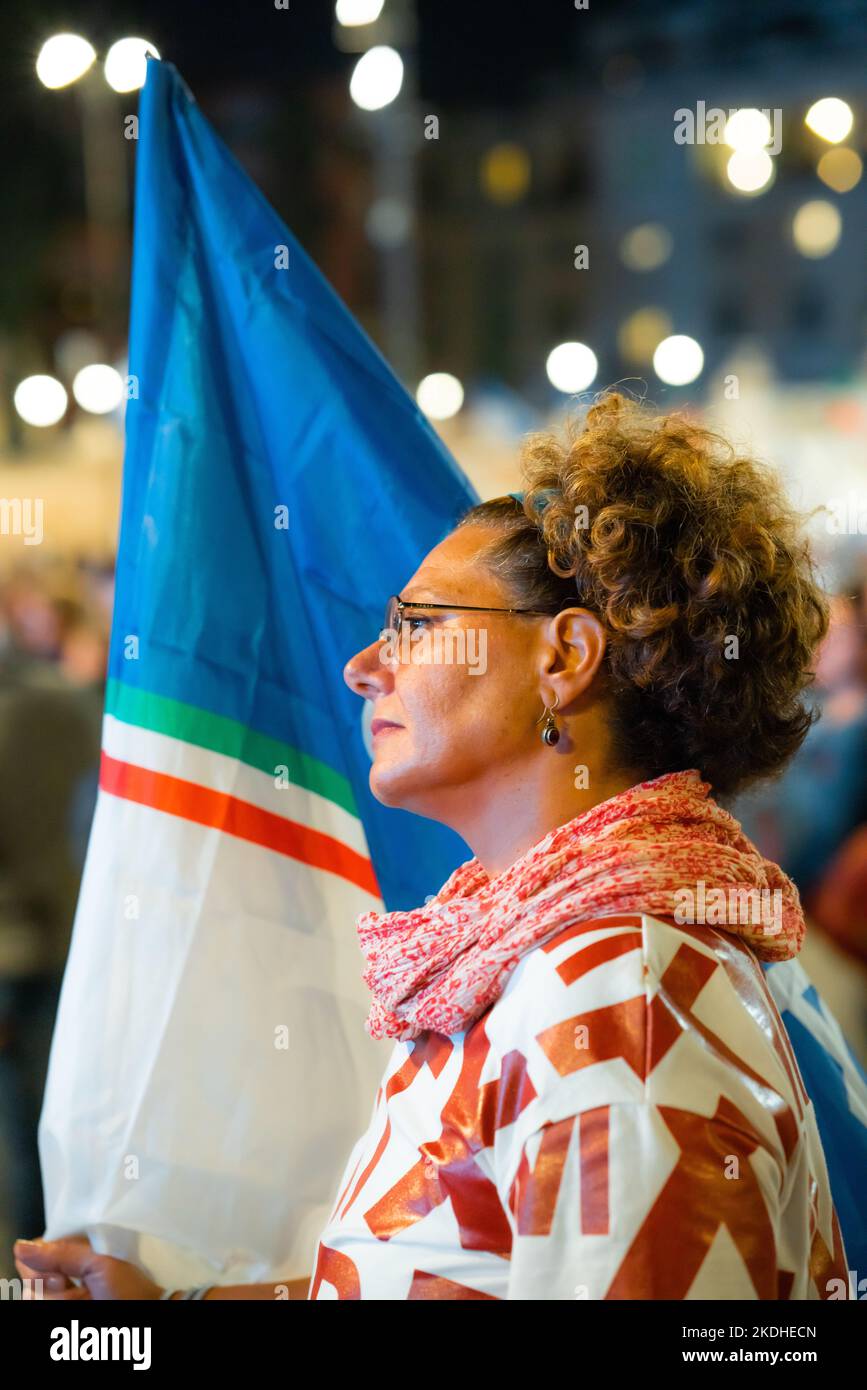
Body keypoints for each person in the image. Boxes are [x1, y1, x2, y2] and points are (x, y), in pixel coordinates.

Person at [14, 392, 852, 1300]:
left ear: (563, 659)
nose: (363, 665)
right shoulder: (551, 958)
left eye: (414, 625)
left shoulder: (623, 998)